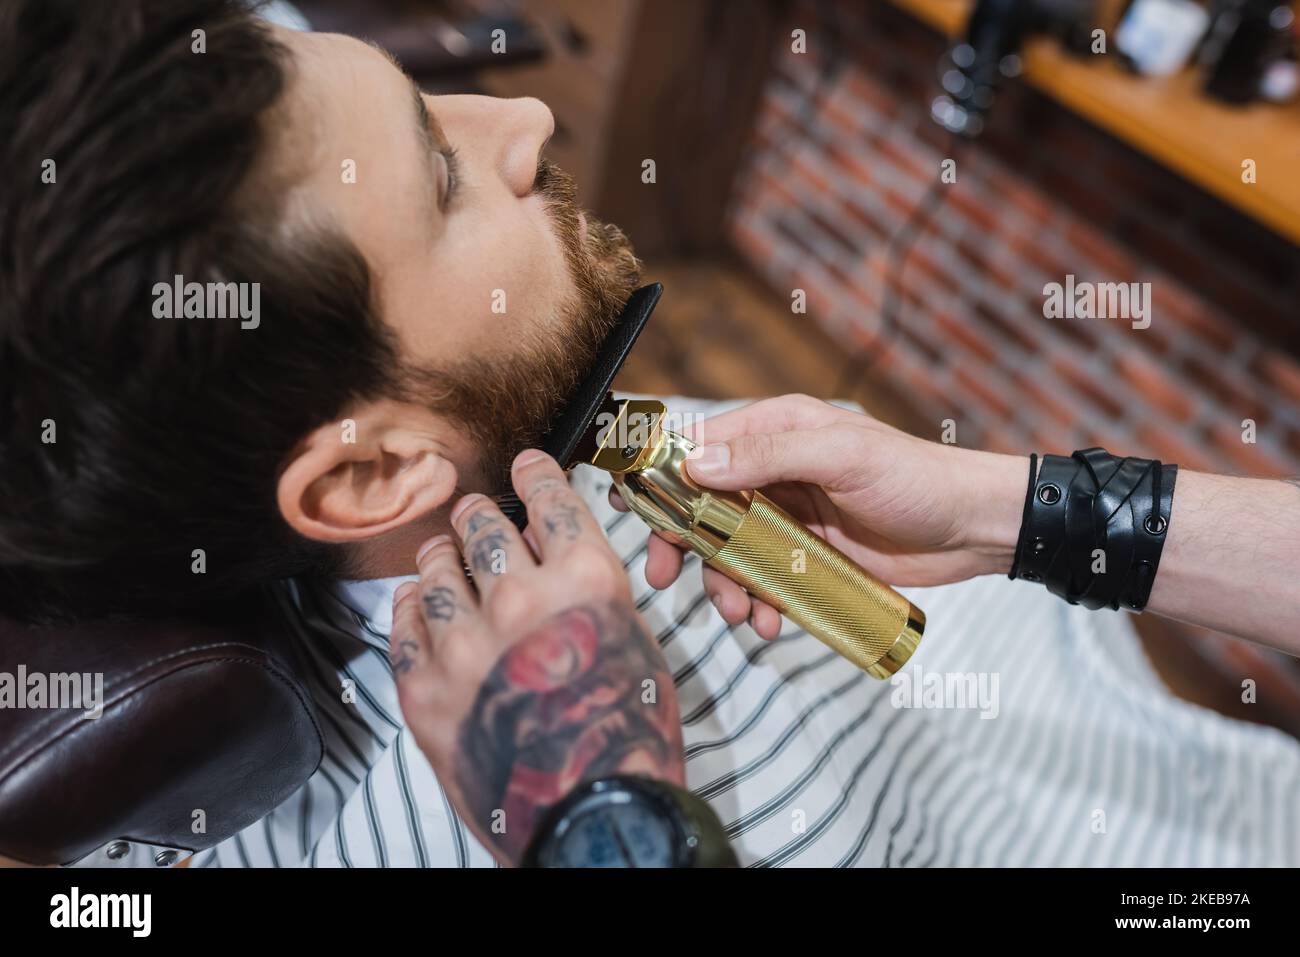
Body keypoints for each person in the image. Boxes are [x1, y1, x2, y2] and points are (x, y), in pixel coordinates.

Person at [3, 0, 1297, 868]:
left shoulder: (522, 431)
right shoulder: (454, 808)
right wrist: (613, 820)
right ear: (372, 471)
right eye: (442, 179)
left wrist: (1021, 511)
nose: (526, 121)